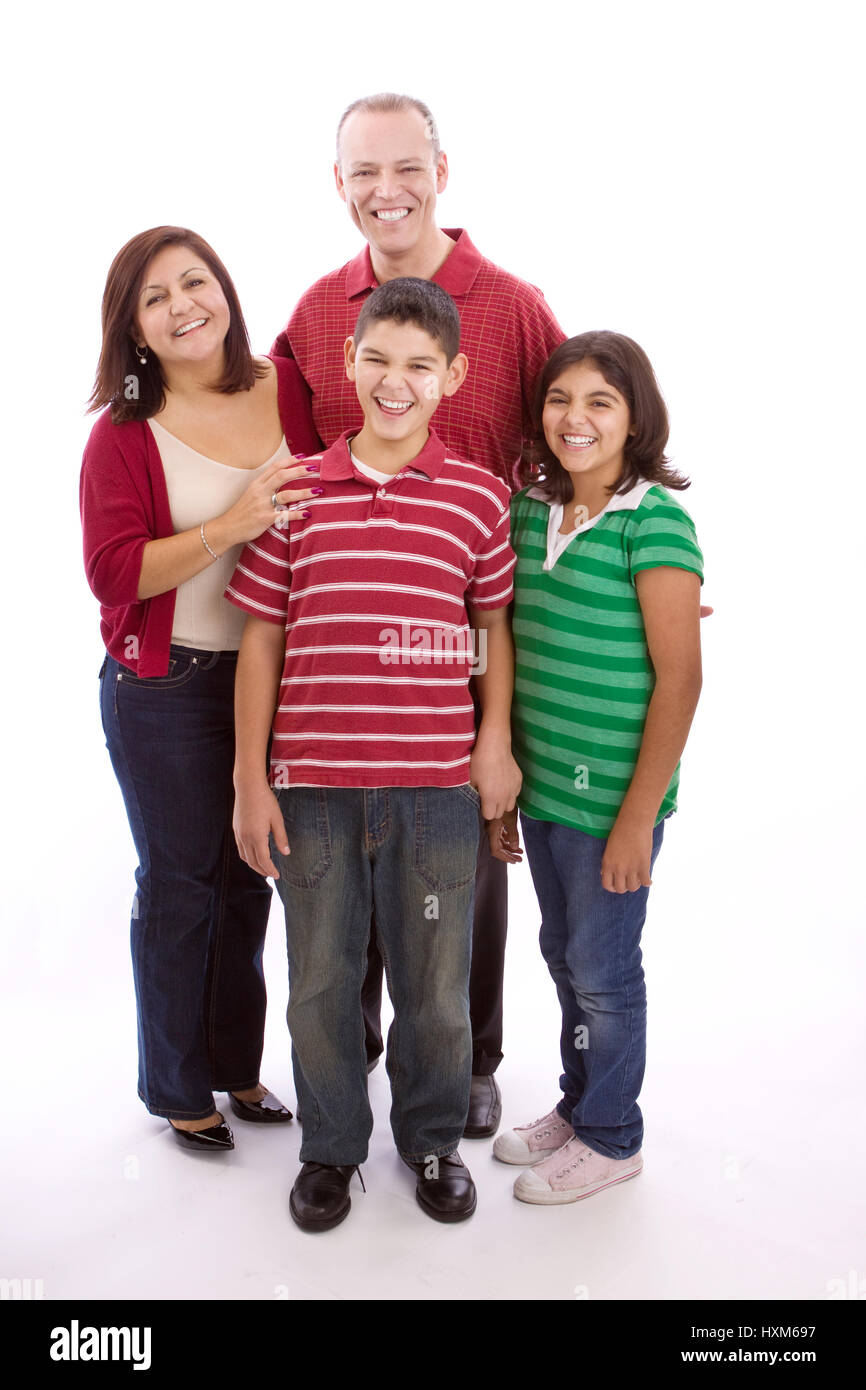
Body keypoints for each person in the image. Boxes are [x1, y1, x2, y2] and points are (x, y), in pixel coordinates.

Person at [271, 92, 566, 1136]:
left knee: (468, 844)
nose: (384, 191)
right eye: (362, 173)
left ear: (443, 169)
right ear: (337, 184)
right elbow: (288, 473)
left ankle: (466, 1053)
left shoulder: (511, 304)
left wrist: (630, 563)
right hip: (346, 646)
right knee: (337, 859)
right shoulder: (313, 313)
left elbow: (580, 436)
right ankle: (344, 1050)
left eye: (405, 167)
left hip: (477, 619)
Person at [228, 278, 521, 1229]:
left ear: (454, 377)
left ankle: (432, 1141)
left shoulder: (477, 500)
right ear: (349, 362)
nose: (396, 383)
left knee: (435, 983)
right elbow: (263, 641)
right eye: (378, 360)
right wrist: (249, 780)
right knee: (319, 980)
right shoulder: (296, 493)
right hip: (310, 789)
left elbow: (493, 634)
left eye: (419, 367)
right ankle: (330, 1149)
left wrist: (494, 746)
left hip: (435, 789)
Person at [80, 226, 321, 1152]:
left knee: (252, 876)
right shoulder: (124, 434)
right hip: (166, 685)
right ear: (135, 331)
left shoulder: (288, 388)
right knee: (182, 885)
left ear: (224, 288)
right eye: (156, 298)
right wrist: (232, 525)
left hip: (278, 674)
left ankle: (236, 1065)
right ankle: (177, 1086)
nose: (184, 306)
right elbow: (114, 575)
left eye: (196, 282)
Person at [488, 331, 703, 1203]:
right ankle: (582, 1106)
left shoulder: (655, 520)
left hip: (616, 803)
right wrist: (507, 787)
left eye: (600, 402)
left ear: (635, 417)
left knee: (607, 975)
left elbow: (682, 678)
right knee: (563, 956)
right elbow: (502, 635)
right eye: (559, 400)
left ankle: (614, 1139)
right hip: (544, 795)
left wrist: (634, 818)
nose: (575, 419)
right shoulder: (529, 511)